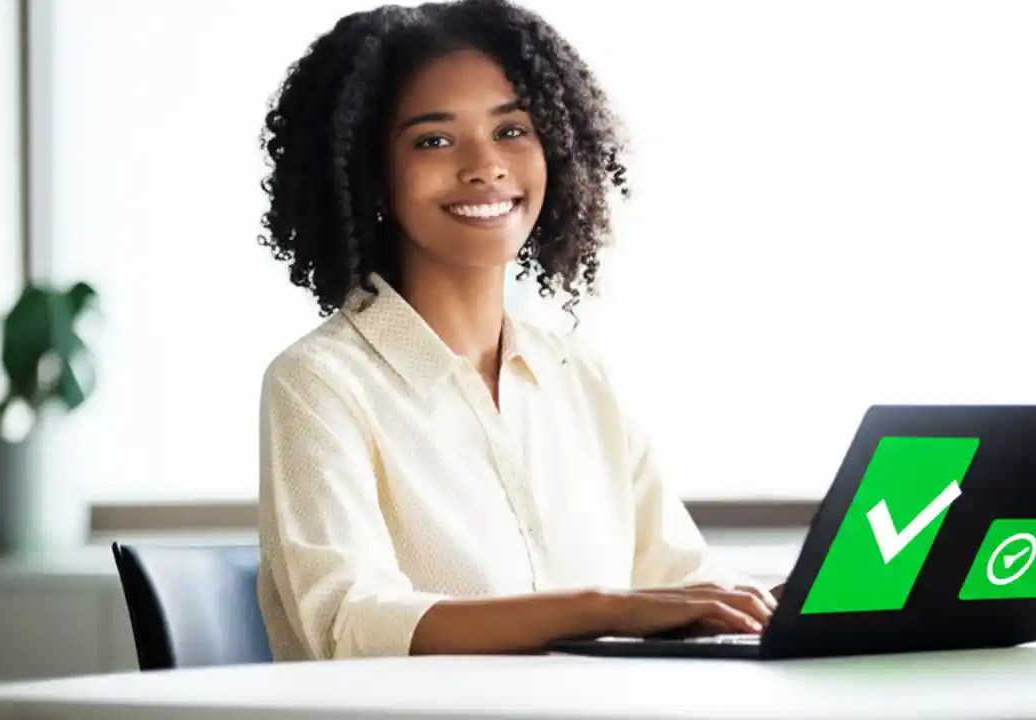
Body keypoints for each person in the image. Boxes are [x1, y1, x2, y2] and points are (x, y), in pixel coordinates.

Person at [255, 0, 782, 662]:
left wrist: (773, 603)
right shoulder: (319, 383)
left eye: (512, 131)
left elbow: (678, 581)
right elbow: (352, 625)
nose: (485, 165)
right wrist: (601, 609)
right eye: (433, 140)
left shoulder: (579, 377)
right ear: (374, 179)